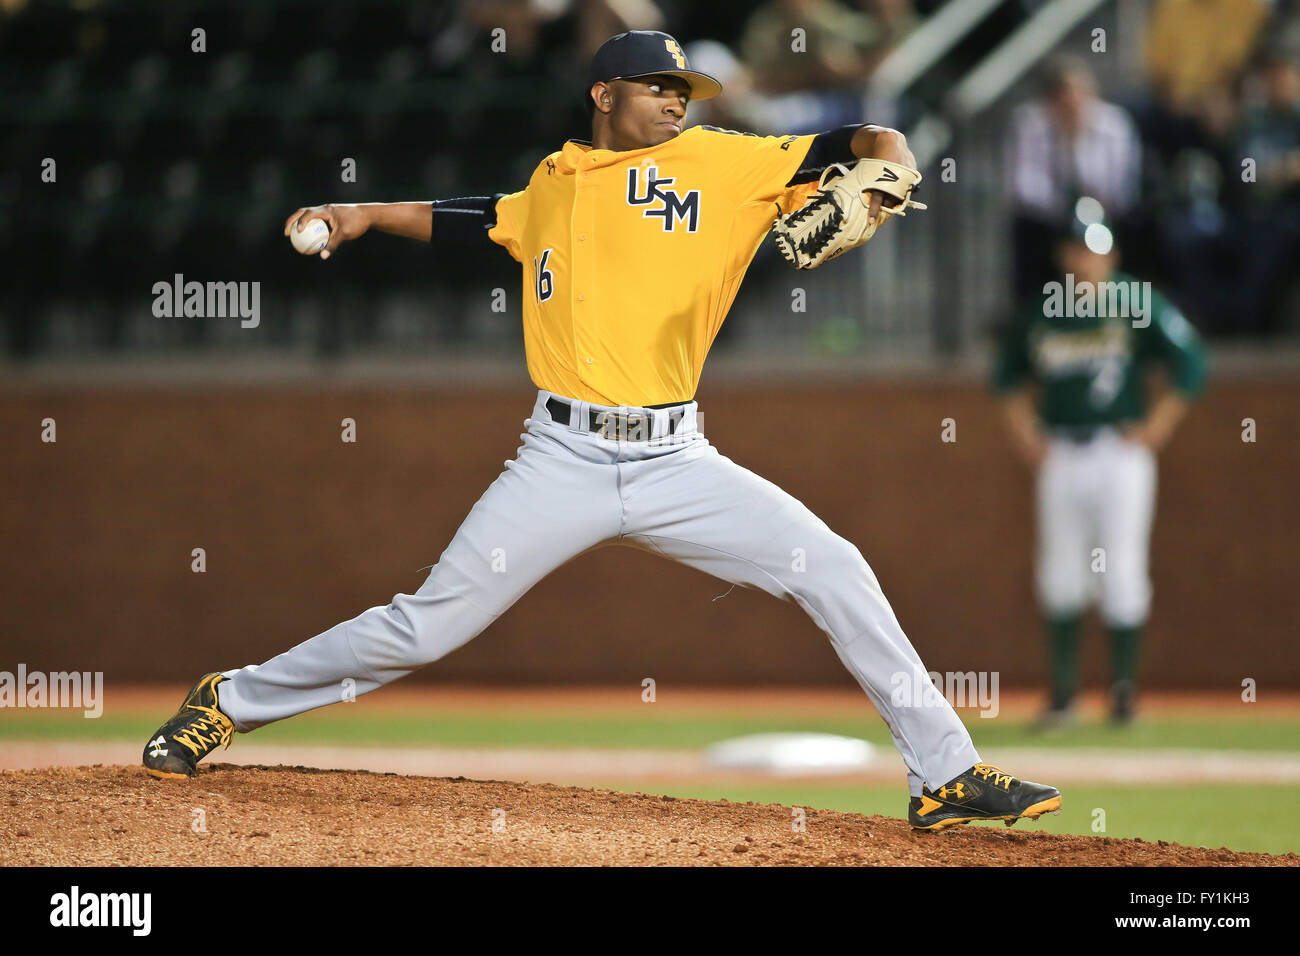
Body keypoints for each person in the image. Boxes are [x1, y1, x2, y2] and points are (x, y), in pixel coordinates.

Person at [142, 31, 1061, 832]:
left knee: (833, 566)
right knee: (423, 629)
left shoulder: (723, 161)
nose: (673, 102)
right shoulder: (555, 182)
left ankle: (943, 774)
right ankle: (228, 701)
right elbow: (474, 221)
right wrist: (362, 214)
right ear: (603, 95)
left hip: (678, 459)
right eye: (657, 88)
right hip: (561, 459)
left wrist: (890, 155)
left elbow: (856, 141)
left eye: (683, 91)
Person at [993, 208, 1207, 728]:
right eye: (1076, 249)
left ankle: (1123, 698)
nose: (1084, 260)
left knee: (1122, 569)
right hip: (1063, 450)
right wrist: (1024, 431)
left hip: (1120, 450)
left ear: (1110, 253)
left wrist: (1159, 423)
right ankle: (1064, 697)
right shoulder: (1046, 309)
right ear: (1064, 255)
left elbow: (1191, 362)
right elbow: (1005, 375)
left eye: (1093, 249)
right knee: (1061, 572)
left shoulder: (1136, 301)